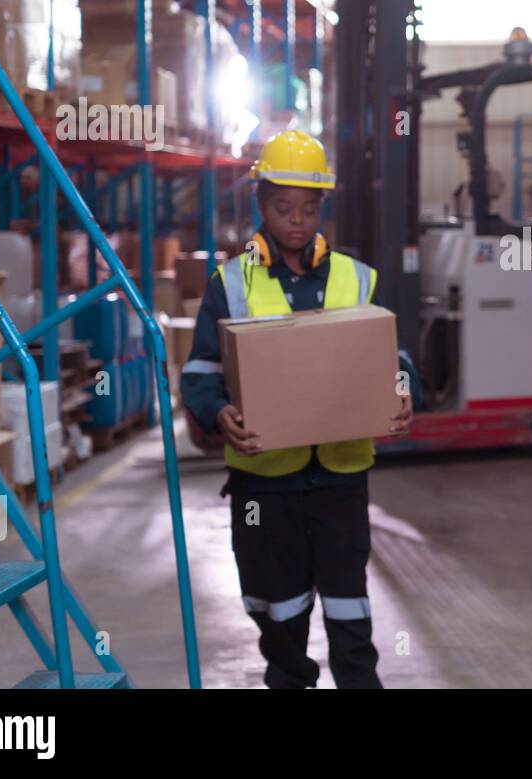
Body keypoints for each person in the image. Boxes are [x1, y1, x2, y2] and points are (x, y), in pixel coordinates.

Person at [181, 129, 418, 689]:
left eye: (308, 209)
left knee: (349, 606)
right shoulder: (231, 283)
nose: (296, 220)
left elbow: (394, 356)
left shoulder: (355, 279)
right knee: (278, 611)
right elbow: (199, 373)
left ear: (321, 209)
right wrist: (219, 415)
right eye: (283, 207)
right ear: (261, 203)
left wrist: (404, 387)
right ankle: (289, 679)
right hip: (267, 485)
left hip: (340, 480)